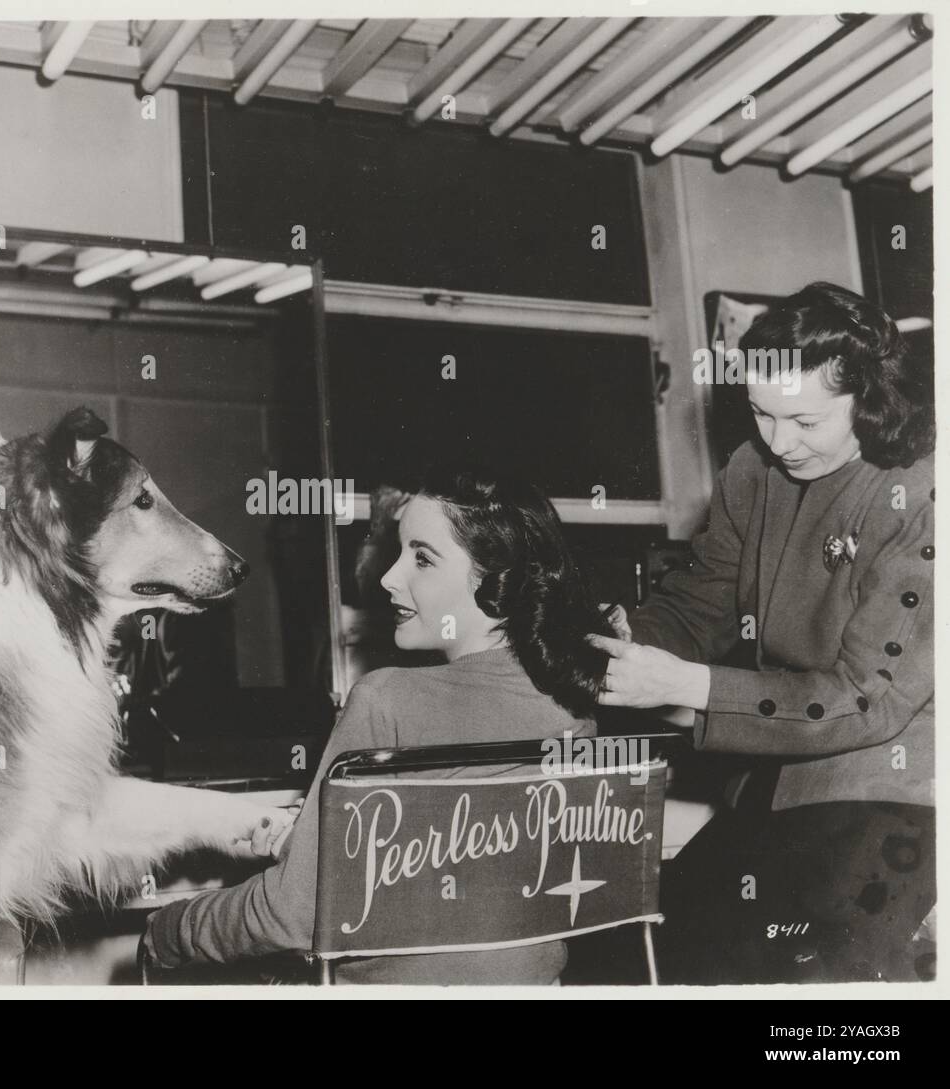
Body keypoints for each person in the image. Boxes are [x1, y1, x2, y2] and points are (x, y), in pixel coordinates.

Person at [142, 467, 611, 983]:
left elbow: (294, 914)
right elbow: (459, 872)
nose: (389, 577)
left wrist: (169, 931)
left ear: (496, 580)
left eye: (422, 558)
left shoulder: (385, 699)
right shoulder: (573, 707)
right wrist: (308, 845)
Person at [591, 282, 935, 983]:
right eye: (760, 413)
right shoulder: (753, 470)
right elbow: (703, 600)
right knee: (645, 954)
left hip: (890, 792)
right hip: (773, 787)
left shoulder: (920, 491)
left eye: (805, 421)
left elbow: (869, 696)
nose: (779, 443)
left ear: (868, 398)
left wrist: (688, 686)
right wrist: (634, 633)